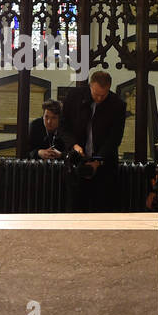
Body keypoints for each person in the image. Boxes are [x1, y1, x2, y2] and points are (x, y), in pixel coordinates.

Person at [62, 70, 127, 212]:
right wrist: (74, 146)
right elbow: (64, 128)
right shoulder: (74, 97)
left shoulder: (117, 105)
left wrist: (97, 161)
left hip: (105, 167)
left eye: (103, 95)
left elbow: (114, 138)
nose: (99, 99)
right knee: (75, 209)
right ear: (90, 85)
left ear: (109, 88)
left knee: (103, 210)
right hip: (76, 163)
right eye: (96, 94)